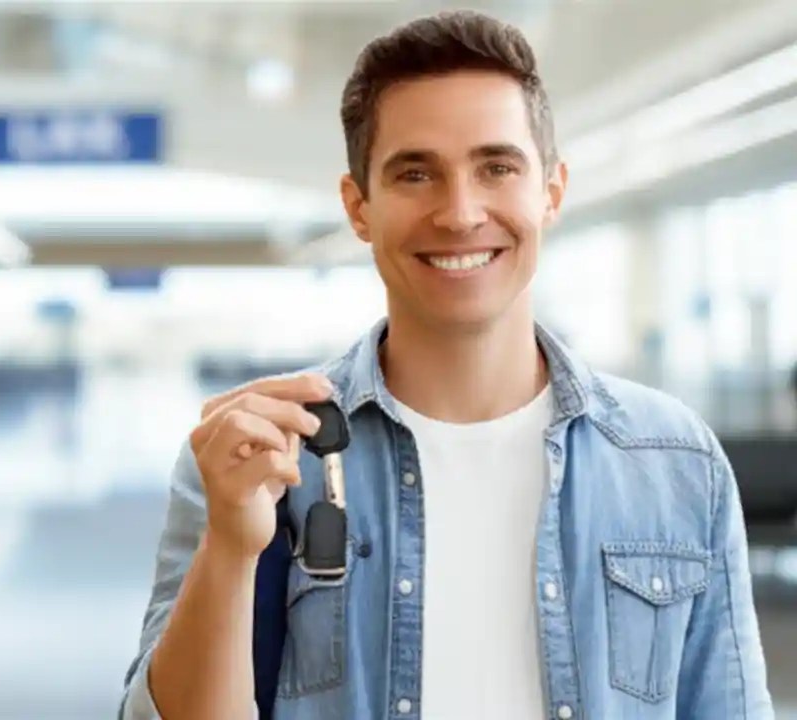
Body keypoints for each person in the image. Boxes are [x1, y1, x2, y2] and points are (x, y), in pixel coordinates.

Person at [120, 10, 773, 720]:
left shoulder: (673, 461)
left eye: (496, 167)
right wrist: (231, 548)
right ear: (358, 206)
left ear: (550, 192)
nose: (460, 213)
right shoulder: (261, 459)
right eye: (415, 173)